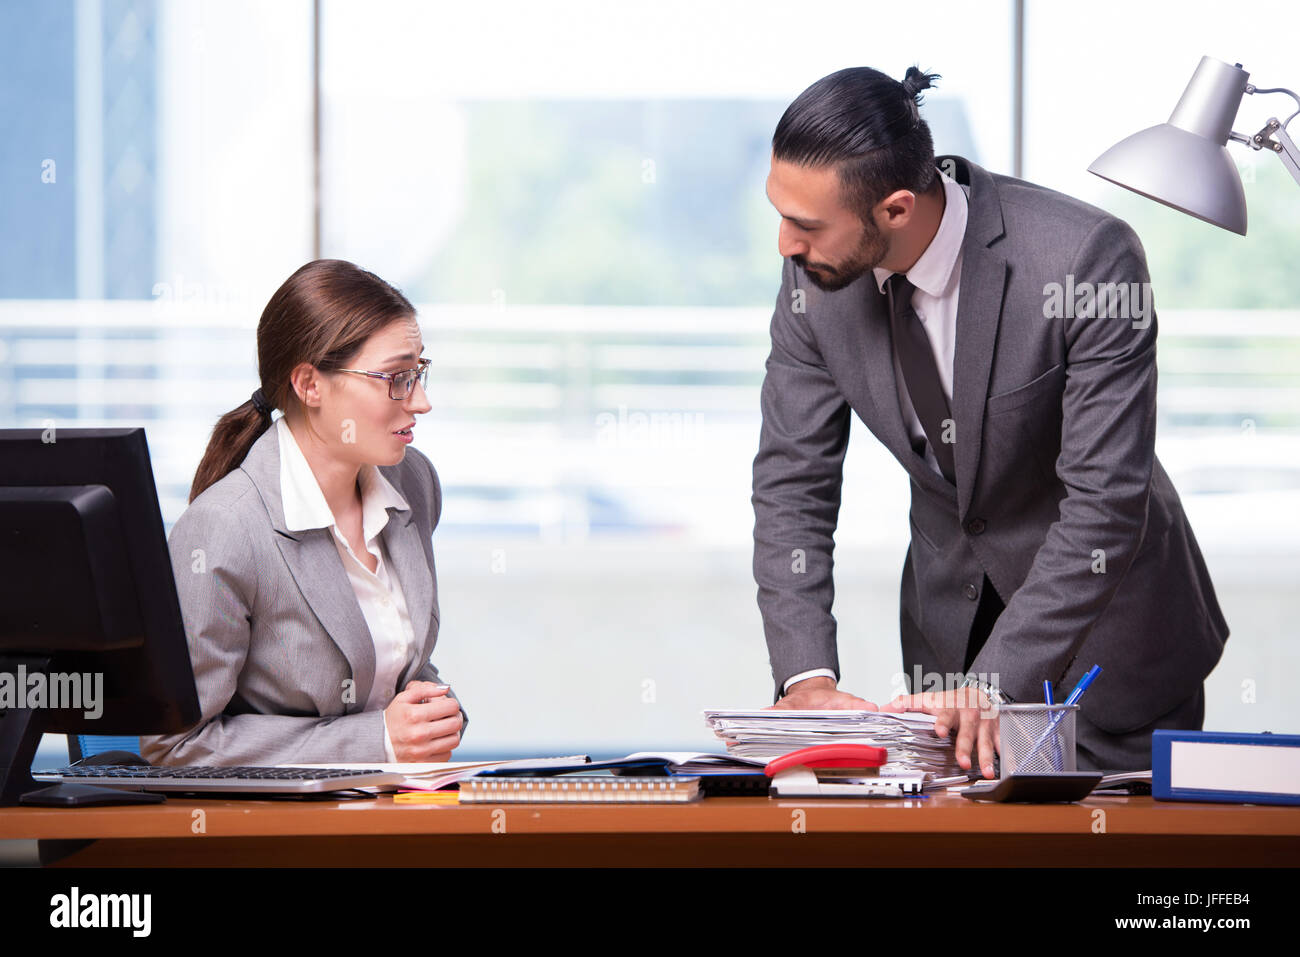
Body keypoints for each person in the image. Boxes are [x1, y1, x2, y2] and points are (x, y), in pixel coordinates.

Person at [751, 66, 1229, 775]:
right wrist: (806, 677)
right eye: (781, 212)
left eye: (807, 225)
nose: (785, 244)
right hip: (946, 653)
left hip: (1111, 653)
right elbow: (793, 483)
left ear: (896, 209)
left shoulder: (1084, 259)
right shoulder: (814, 279)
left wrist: (996, 682)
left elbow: (1105, 502)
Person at [140, 259, 466, 766]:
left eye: (418, 372)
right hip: (272, 817)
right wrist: (377, 741)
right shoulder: (224, 527)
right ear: (310, 385)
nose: (420, 401)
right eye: (396, 377)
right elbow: (175, 745)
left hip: (387, 802)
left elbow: (385, 668)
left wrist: (433, 711)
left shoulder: (412, 482)